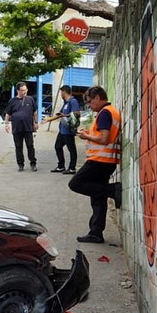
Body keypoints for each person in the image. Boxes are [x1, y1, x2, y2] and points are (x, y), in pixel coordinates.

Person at [68, 85, 122, 243]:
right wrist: (88, 133)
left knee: (75, 183)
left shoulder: (105, 113)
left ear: (98, 98)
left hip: (99, 160)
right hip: (107, 161)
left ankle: (112, 189)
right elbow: (102, 135)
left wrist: (87, 137)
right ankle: (96, 232)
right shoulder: (109, 112)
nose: (89, 106)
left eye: (90, 102)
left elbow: (104, 138)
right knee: (97, 197)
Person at [42, 85, 81, 174]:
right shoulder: (66, 103)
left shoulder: (73, 101)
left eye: (61, 92)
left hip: (68, 130)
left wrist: (65, 115)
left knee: (71, 149)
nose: (60, 94)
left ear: (64, 92)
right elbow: (59, 114)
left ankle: (72, 168)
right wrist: (48, 119)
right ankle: (61, 166)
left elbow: (76, 113)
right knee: (58, 147)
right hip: (62, 130)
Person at [2, 82, 38, 172]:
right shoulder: (12, 101)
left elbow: (34, 112)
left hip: (28, 127)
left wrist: (36, 122)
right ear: (18, 91)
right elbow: (7, 113)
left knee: (30, 145)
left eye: (25, 90)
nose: (24, 92)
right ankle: (20, 164)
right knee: (18, 147)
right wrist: (6, 124)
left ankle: (33, 163)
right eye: (22, 90)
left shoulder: (30, 99)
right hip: (17, 128)